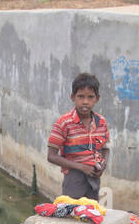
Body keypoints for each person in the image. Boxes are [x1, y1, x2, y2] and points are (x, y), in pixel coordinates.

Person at [47, 72, 110, 200]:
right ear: (72, 97)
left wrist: (102, 165)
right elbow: (51, 156)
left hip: (94, 178)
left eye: (90, 97)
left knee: (91, 212)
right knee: (71, 213)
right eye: (80, 97)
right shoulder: (64, 122)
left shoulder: (101, 122)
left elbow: (105, 148)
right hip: (73, 178)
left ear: (96, 99)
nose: (85, 102)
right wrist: (81, 167)